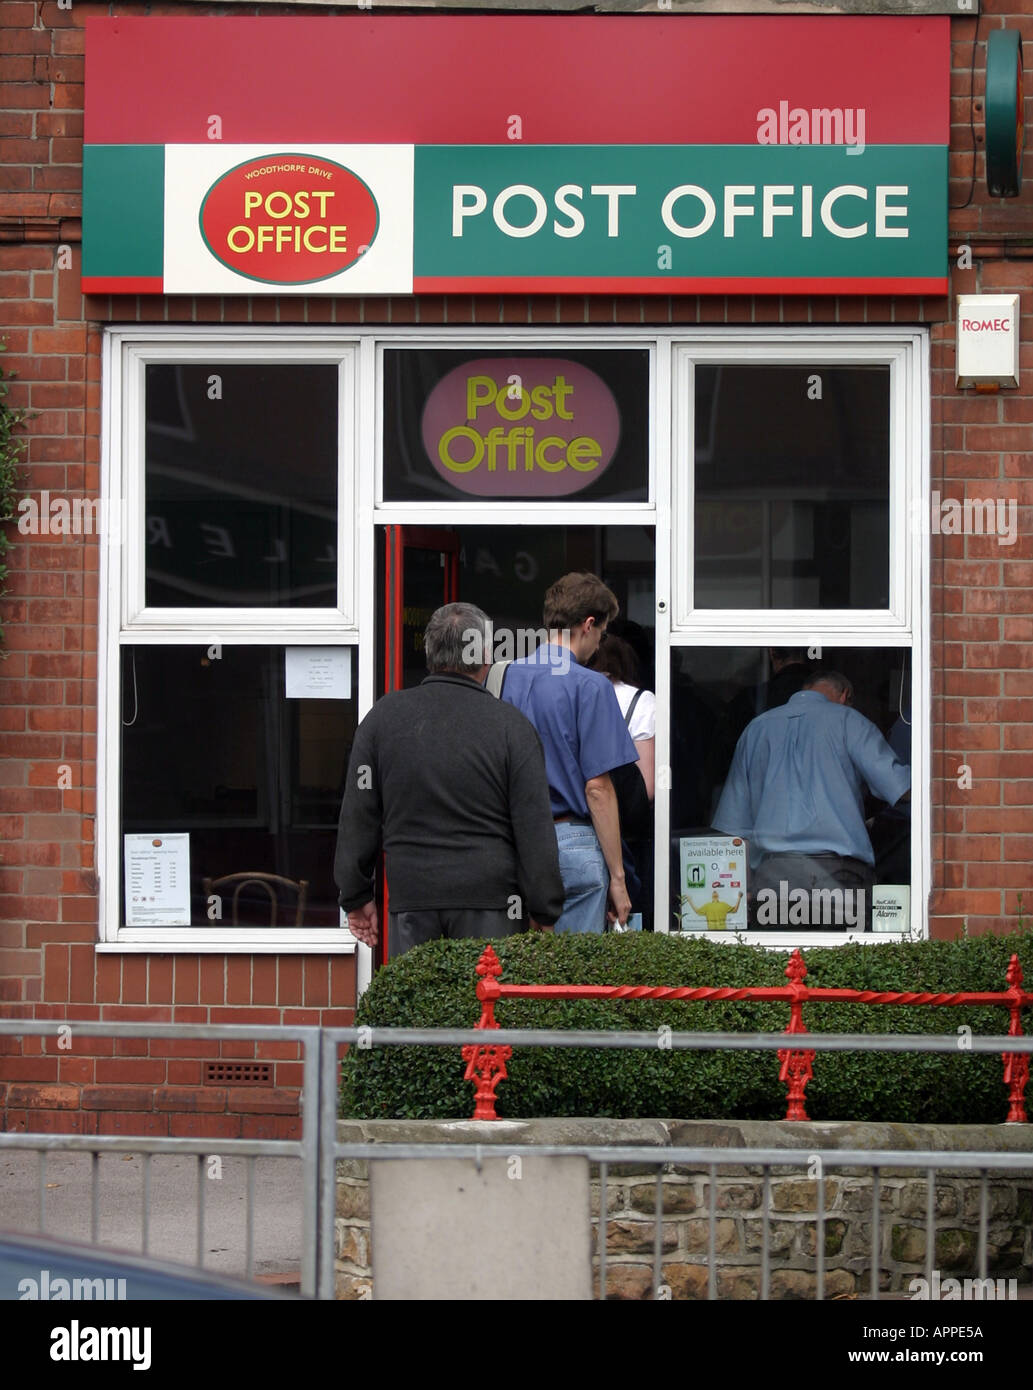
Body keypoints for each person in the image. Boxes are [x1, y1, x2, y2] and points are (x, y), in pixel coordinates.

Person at [334, 602, 564, 956]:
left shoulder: (382, 720)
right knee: (485, 1006)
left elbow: (358, 816)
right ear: (484, 656)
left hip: (412, 898)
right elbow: (533, 825)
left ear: (429, 653)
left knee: (417, 1007)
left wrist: (356, 895)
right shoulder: (512, 727)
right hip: (494, 904)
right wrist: (543, 909)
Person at [713, 670, 910, 930]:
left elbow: (735, 829)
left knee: (777, 964)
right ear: (845, 696)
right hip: (840, 876)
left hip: (773, 878)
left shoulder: (756, 729)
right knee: (844, 963)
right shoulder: (849, 721)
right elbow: (901, 788)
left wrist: (742, 891)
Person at [500, 572, 638, 933]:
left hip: (513, 841)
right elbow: (597, 788)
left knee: (518, 979)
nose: (599, 644)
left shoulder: (504, 677)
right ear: (589, 625)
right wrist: (618, 878)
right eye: (602, 633)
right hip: (572, 841)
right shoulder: (591, 686)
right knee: (572, 980)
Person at [590, 632, 656, 930]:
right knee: (627, 919)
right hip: (627, 837)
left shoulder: (575, 694)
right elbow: (649, 787)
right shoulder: (642, 701)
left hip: (578, 830)